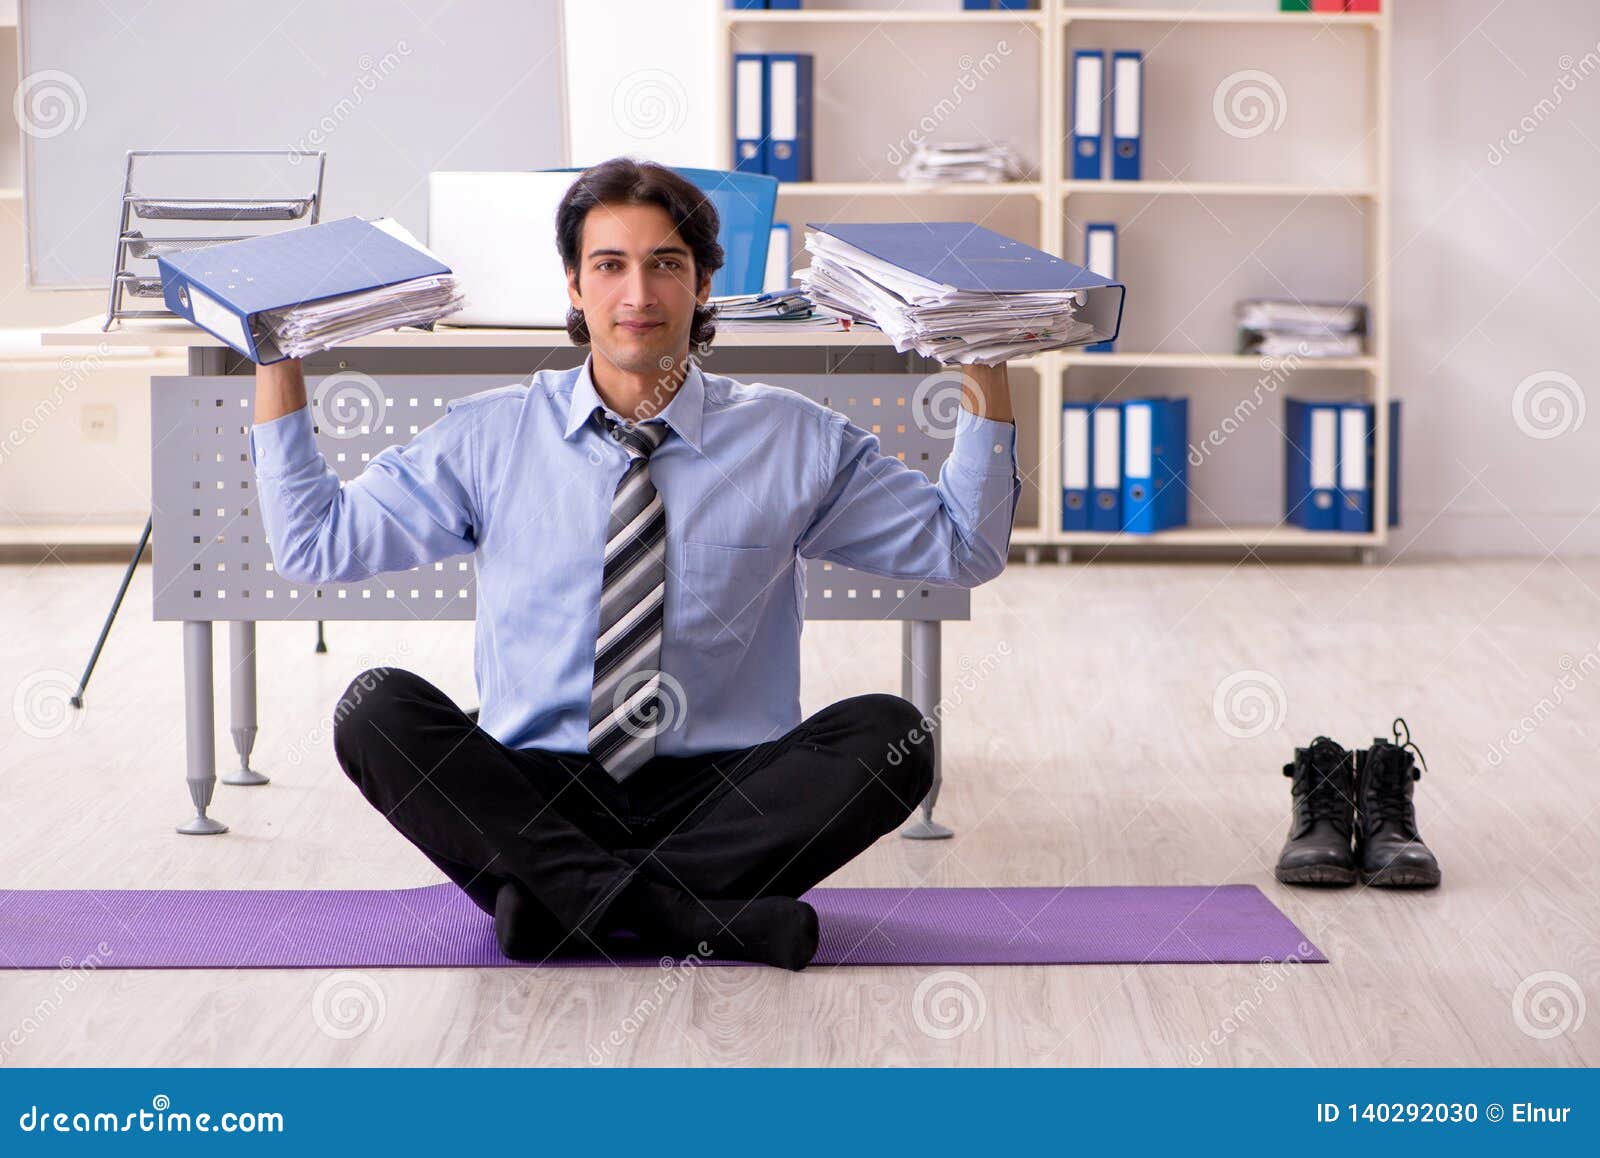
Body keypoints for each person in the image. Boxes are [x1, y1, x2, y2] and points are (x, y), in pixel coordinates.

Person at [248, 157, 1021, 970]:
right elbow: (314, 543)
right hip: (537, 793)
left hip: (723, 796)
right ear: (575, 288)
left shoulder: (793, 438)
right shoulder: (488, 437)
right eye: (610, 266)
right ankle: (691, 919)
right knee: (377, 709)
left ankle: (564, 910)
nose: (639, 295)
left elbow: (963, 547)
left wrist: (984, 358)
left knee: (895, 735)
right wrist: (278, 353)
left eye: (667, 266)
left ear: (704, 284)